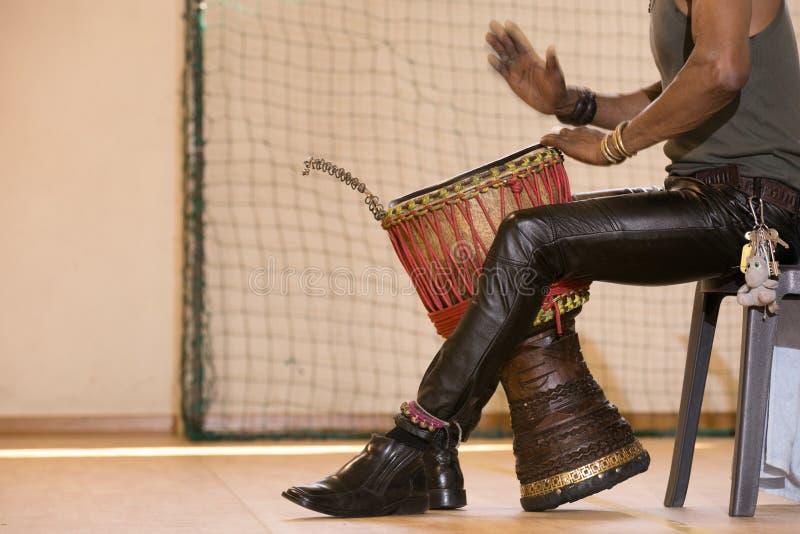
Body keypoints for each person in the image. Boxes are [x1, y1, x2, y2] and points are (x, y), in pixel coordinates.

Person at [283, 0, 800, 517]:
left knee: (530, 237)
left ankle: (417, 443)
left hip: (757, 211)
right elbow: (679, 88)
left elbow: (722, 72)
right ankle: (438, 461)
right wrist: (575, 104)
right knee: (519, 232)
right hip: (711, 197)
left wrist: (614, 146)